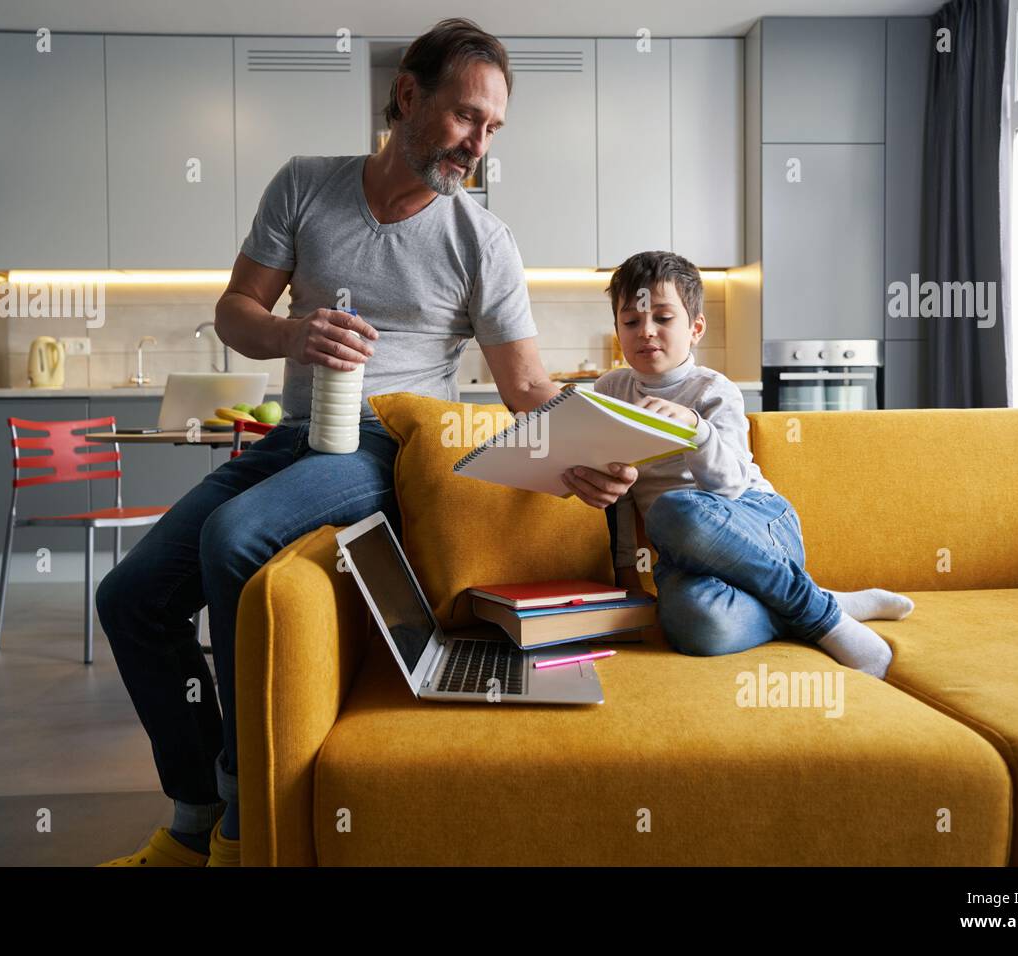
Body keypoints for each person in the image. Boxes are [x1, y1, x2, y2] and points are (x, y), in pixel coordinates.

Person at [95, 18, 637, 867]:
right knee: (128, 597)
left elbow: (526, 389)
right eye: (466, 118)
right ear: (408, 95)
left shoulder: (480, 241)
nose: (477, 146)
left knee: (232, 539)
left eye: (492, 130)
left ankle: (242, 822)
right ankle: (192, 814)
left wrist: (590, 450)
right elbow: (236, 311)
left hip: (385, 450)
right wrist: (293, 334)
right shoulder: (305, 185)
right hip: (293, 437)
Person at [587, 251, 914, 678]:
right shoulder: (610, 390)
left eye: (663, 318)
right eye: (631, 322)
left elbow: (729, 486)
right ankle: (821, 600)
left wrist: (696, 430)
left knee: (672, 507)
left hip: (758, 523)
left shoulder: (713, 390)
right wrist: (627, 573)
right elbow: (620, 493)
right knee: (692, 627)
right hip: (687, 554)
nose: (646, 331)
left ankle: (821, 618)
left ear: (696, 328)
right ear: (618, 330)